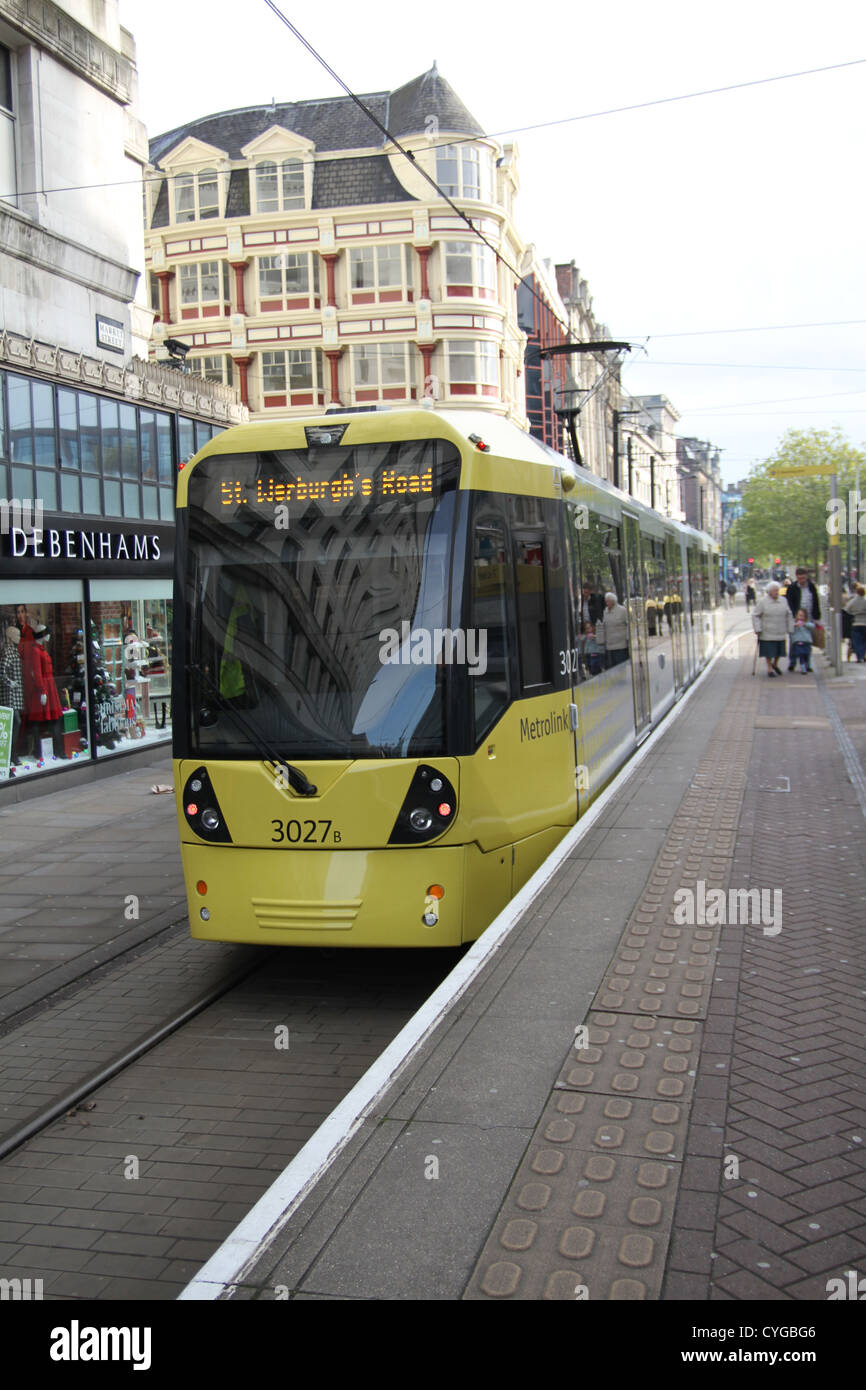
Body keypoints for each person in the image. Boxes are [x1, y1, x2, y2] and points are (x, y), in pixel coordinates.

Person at [752, 581, 793, 677]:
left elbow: (789, 614)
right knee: (769, 651)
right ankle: (769, 668)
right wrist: (757, 628)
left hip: (780, 630)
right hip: (767, 631)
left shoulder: (783, 600)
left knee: (779, 651)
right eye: (774, 591)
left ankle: (775, 664)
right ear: (769, 592)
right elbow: (755, 615)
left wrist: (790, 628)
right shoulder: (763, 602)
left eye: (777, 590)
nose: (776, 592)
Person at [0, 626, 25, 765]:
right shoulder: (7, 651)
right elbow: (1, 672)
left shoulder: (13, 651)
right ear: (10, 636)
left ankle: (12, 754)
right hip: (9, 695)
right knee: (15, 722)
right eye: (17, 635)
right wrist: (11, 683)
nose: (19, 637)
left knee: (14, 723)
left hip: (14, 694)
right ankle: (11, 755)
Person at [598, 592, 629, 667]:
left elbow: (628, 625)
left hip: (620, 646)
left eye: (608, 601)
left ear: (613, 601)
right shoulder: (605, 612)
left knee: (620, 667)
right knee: (611, 668)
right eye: (606, 601)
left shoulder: (622, 610)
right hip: (609, 646)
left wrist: (627, 639)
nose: (607, 603)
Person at [844, 583, 866, 662]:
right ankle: (862, 654)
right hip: (865, 623)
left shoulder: (853, 601)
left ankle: (859, 656)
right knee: (864, 641)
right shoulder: (865, 601)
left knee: (856, 641)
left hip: (855, 623)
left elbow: (846, 609)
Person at [789, 609, 815, 674]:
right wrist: (795, 625)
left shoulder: (807, 624)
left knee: (807, 654)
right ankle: (795, 665)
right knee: (799, 654)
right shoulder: (794, 624)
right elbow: (790, 630)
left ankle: (807, 666)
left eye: (803, 616)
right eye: (799, 615)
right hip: (797, 642)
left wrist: (805, 624)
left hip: (806, 642)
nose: (801, 618)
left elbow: (812, 626)